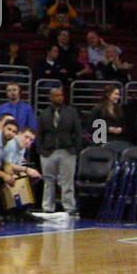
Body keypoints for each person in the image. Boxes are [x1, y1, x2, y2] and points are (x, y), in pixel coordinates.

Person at [36, 87, 82, 216]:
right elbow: (39, 133)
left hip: (67, 151)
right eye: (56, 95)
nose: (59, 98)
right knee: (48, 181)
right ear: (50, 97)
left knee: (67, 181)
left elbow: (78, 132)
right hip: (48, 152)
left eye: (61, 95)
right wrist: (40, 150)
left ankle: (69, 207)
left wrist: (75, 149)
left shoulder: (71, 113)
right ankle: (47, 207)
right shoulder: (43, 113)